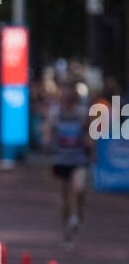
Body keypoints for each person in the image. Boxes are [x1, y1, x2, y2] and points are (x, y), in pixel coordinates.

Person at [46, 82, 95, 246]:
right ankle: (66, 234)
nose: (67, 100)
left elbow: (89, 133)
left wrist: (91, 148)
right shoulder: (55, 113)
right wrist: (47, 140)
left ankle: (79, 213)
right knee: (65, 200)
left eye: (70, 97)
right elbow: (49, 131)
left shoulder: (81, 113)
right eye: (64, 97)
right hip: (62, 159)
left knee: (79, 188)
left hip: (79, 159)